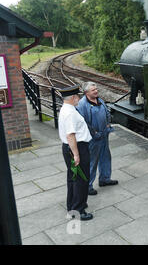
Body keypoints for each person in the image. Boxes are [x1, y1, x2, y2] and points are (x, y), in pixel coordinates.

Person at [58, 85, 93, 221]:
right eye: (78, 96)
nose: (79, 99)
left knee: (73, 178)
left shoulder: (66, 109)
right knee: (81, 179)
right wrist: (77, 154)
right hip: (77, 148)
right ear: (73, 97)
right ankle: (79, 210)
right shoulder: (70, 113)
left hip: (70, 148)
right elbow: (70, 135)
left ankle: (72, 206)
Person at [77, 82, 117, 196]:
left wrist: (108, 124)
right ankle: (88, 186)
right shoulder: (82, 104)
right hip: (93, 138)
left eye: (96, 89)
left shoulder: (99, 100)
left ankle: (105, 179)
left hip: (104, 135)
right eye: (93, 90)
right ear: (86, 92)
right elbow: (82, 122)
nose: (96, 91)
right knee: (92, 162)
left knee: (105, 157)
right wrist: (93, 132)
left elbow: (106, 112)